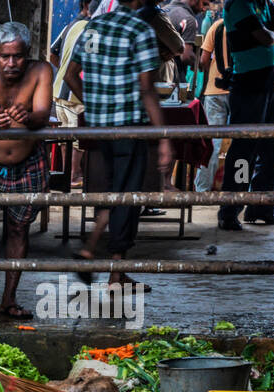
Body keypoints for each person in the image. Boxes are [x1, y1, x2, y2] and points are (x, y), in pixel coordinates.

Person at [66, 0, 173, 288]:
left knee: (114, 190)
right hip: (129, 127)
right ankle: (111, 267)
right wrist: (163, 137)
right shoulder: (140, 31)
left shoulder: (94, 28)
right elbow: (147, 89)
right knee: (127, 197)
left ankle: (97, 253)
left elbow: (70, 74)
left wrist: (94, 105)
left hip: (99, 129)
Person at [0, 23, 54, 321]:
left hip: (29, 161)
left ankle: (8, 300)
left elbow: (42, 114)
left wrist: (27, 117)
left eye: (17, 56)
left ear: (27, 54)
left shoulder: (41, 70)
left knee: (18, 229)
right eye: (5, 56)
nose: (11, 63)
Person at [217, 0, 274, 229]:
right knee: (244, 152)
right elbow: (265, 37)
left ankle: (262, 208)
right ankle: (231, 210)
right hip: (249, 83)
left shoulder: (266, 3)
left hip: (273, 82)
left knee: (272, 148)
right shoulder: (239, 4)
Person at [193, 13, 232, 191]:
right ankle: (240, 187)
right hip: (241, 91)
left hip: (214, 91)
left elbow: (203, 60)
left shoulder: (216, 26)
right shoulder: (251, 25)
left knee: (212, 144)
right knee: (242, 143)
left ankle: (202, 188)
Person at [51, 0, 94, 126]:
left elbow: (52, 54)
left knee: (65, 143)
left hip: (59, 95)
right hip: (76, 99)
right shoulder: (91, 30)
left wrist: (62, 69)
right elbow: (90, 62)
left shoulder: (70, 26)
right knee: (77, 144)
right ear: (87, 5)